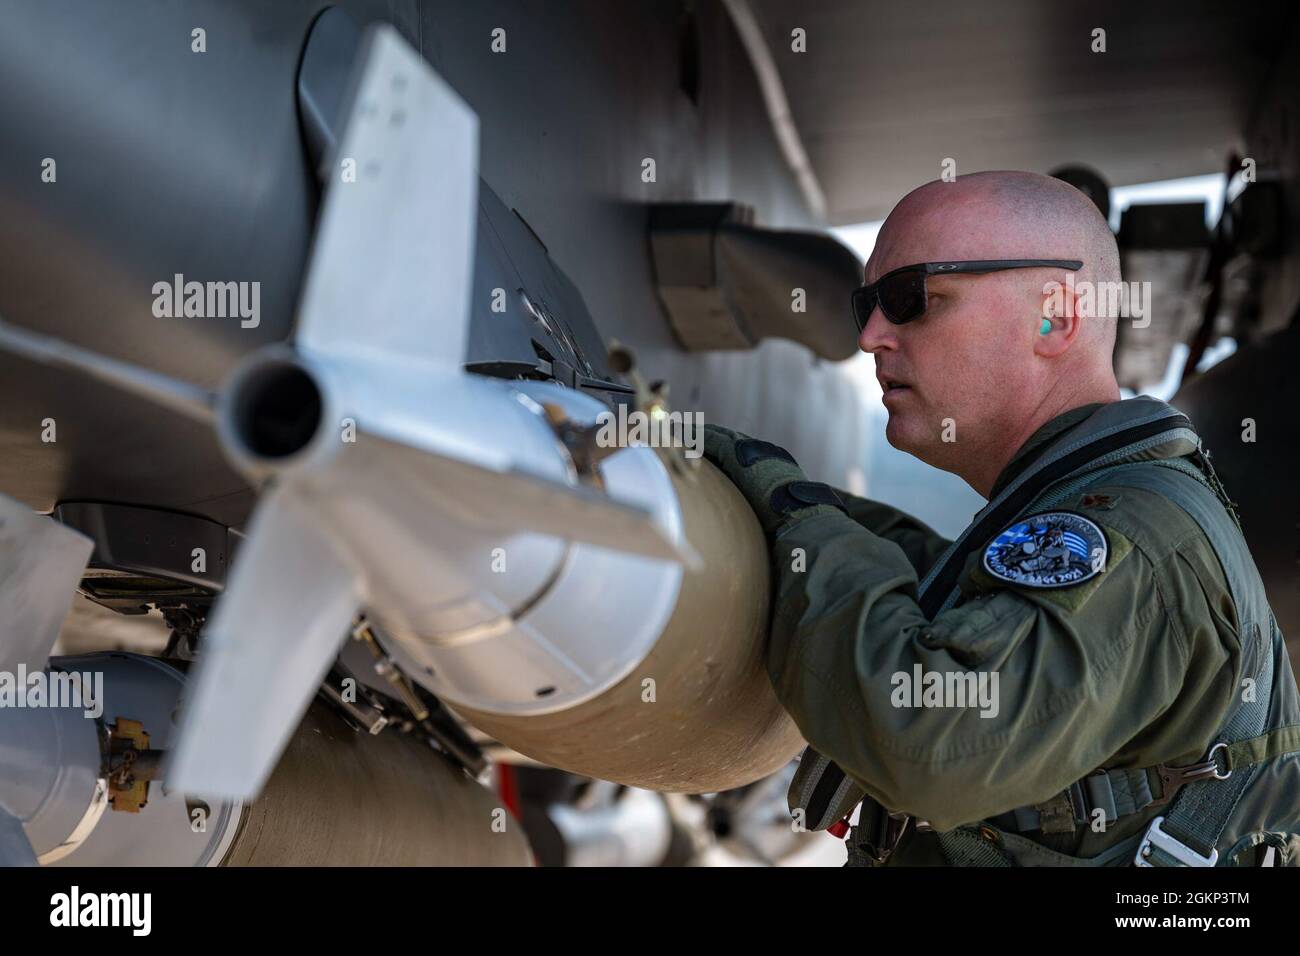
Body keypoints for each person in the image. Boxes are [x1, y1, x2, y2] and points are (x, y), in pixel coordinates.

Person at [703, 170, 1300, 866]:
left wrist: (798, 517)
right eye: (868, 302)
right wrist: (768, 498)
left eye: (911, 299)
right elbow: (953, 602)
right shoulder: (1082, 509)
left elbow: (930, 739)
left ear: (1055, 318)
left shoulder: (1132, 535)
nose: (870, 336)